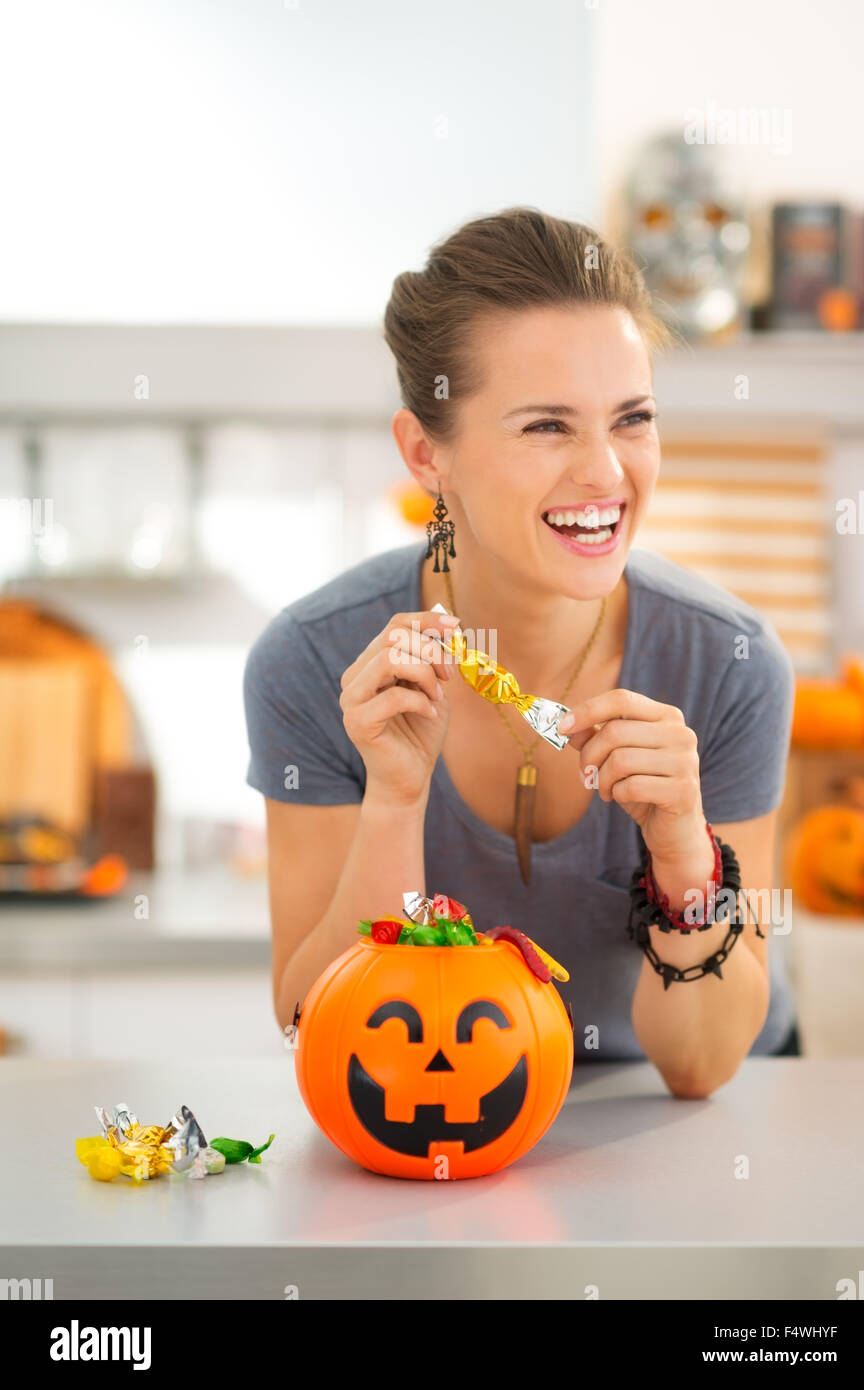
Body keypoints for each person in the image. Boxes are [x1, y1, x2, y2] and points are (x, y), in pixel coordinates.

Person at [244, 207, 801, 1096]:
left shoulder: (728, 664)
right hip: (445, 1102)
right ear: (427, 454)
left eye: (631, 419)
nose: (606, 474)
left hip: (684, 1116)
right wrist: (394, 798)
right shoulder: (313, 661)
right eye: (547, 426)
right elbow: (321, 1028)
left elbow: (698, 1066)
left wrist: (682, 851)